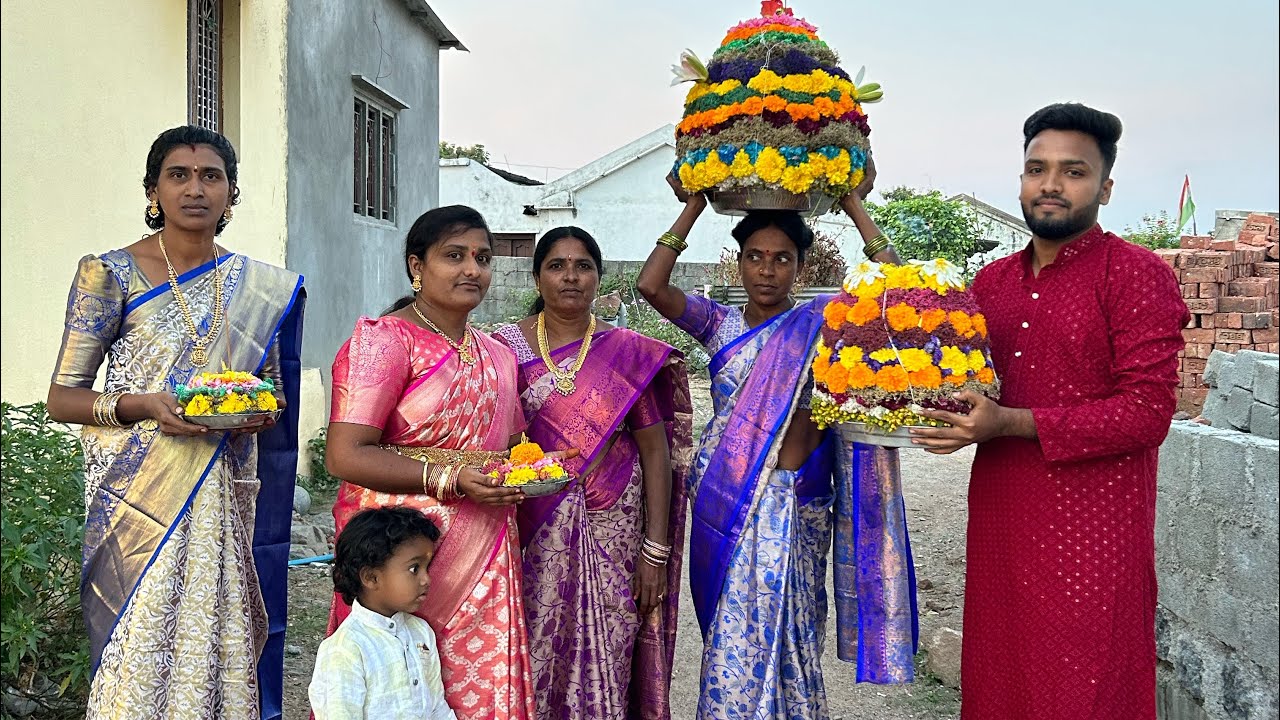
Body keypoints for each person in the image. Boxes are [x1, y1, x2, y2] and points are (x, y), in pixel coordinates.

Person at [909, 103, 1189, 720]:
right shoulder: (991, 283)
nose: (1051, 185)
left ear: (1105, 187)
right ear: (1020, 179)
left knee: (1088, 689)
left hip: (1095, 534)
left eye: (1073, 171)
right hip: (1003, 521)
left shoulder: (1136, 275)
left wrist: (1010, 422)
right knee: (1001, 678)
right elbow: (963, 379)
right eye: (1037, 169)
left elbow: (1147, 412)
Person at [47, 125, 305, 719]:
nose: (196, 189)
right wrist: (144, 405)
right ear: (153, 190)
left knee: (216, 639)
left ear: (231, 194)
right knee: (138, 643)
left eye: (211, 176)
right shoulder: (108, 274)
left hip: (221, 490)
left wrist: (250, 411)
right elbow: (63, 398)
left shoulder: (261, 286)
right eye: (179, 175)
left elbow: (270, 398)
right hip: (137, 492)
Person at [636, 166, 903, 718]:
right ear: (738, 262)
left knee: (793, 631)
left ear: (802, 269)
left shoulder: (827, 322)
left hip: (798, 501)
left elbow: (902, 291)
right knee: (730, 632)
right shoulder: (720, 325)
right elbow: (651, 287)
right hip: (724, 495)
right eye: (755, 256)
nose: (767, 270)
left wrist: (854, 206)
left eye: (782, 259)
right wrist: (694, 205)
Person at [322, 205, 546, 720]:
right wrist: (449, 479)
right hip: (401, 550)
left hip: (485, 551)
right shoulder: (384, 340)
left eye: (482, 258)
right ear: (417, 266)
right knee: (391, 684)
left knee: (478, 688)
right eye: (455, 256)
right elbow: (345, 453)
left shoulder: (498, 355)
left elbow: (511, 453)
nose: (473, 269)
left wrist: (535, 469)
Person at [492, 227, 693, 719]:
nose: (570, 277)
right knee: (533, 647)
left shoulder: (629, 353)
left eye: (582, 266)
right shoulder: (501, 349)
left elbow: (656, 454)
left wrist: (655, 550)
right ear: (537, 277)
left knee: (612, 647)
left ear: (598, 278)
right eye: (556, 266)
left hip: (615, 533)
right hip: (529, 529)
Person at [309, 507, 456, 720]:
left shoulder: (421, 633)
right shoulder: (346, 649)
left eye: (427, 567)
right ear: (371, 578)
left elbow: (436, 708)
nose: (426, 579)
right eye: (414, 569)